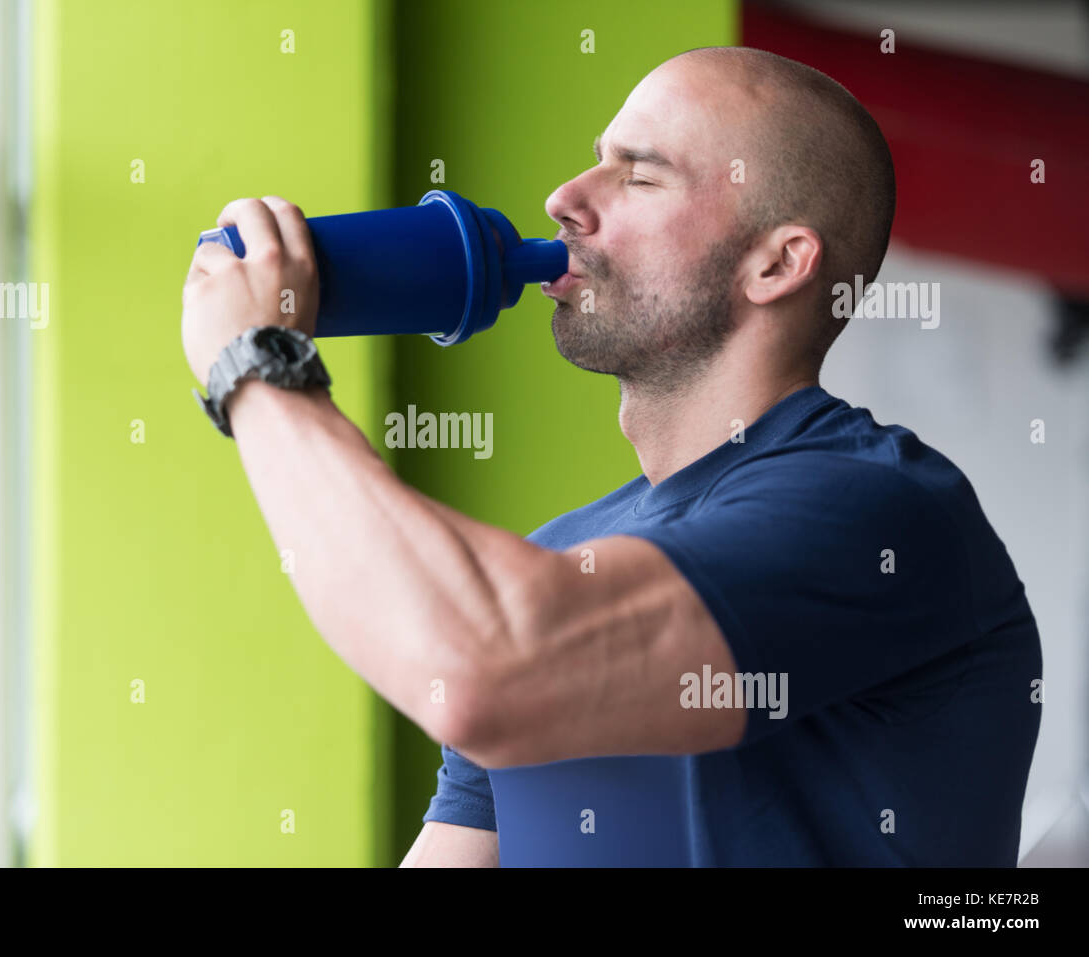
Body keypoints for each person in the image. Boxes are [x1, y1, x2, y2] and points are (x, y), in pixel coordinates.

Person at [180, 46, 1042, 867]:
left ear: (777, 263)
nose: (562, 197)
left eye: (639, 174)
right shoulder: (557, 558)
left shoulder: (878, 511)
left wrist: (256, 369)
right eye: (595, 160)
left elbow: (492, 665)